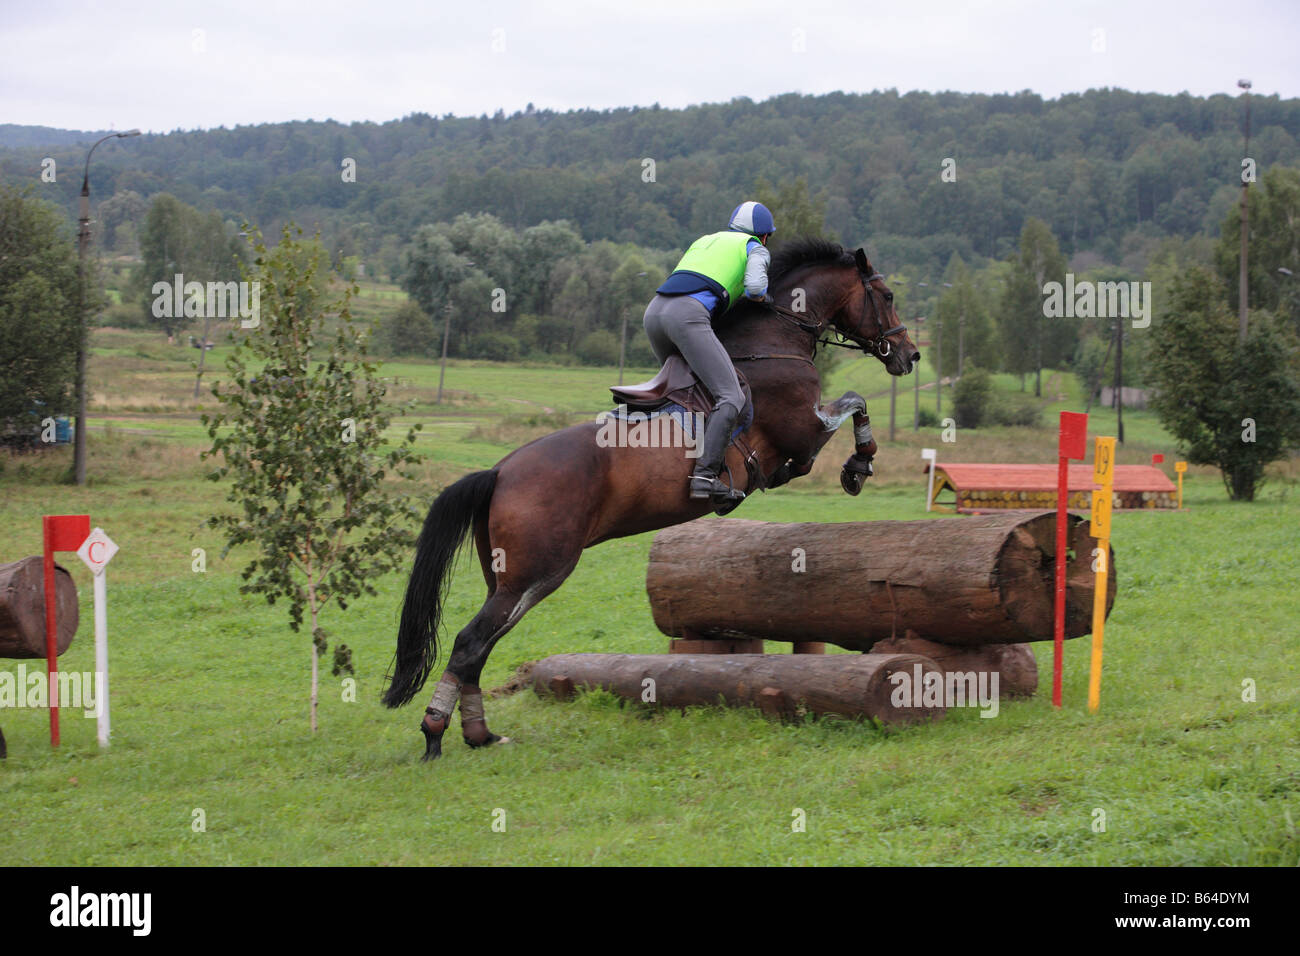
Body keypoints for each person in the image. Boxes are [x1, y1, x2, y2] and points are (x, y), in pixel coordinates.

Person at [642, 201, 775, 503]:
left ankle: (668, 456)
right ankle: (704, 476)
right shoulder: (754, 247)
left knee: (684, 392)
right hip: (685, 317)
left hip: (654, 314)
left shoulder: (705, 240)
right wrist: (766, 297)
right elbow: (754, 288)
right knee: (730, 396)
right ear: (765, 236)